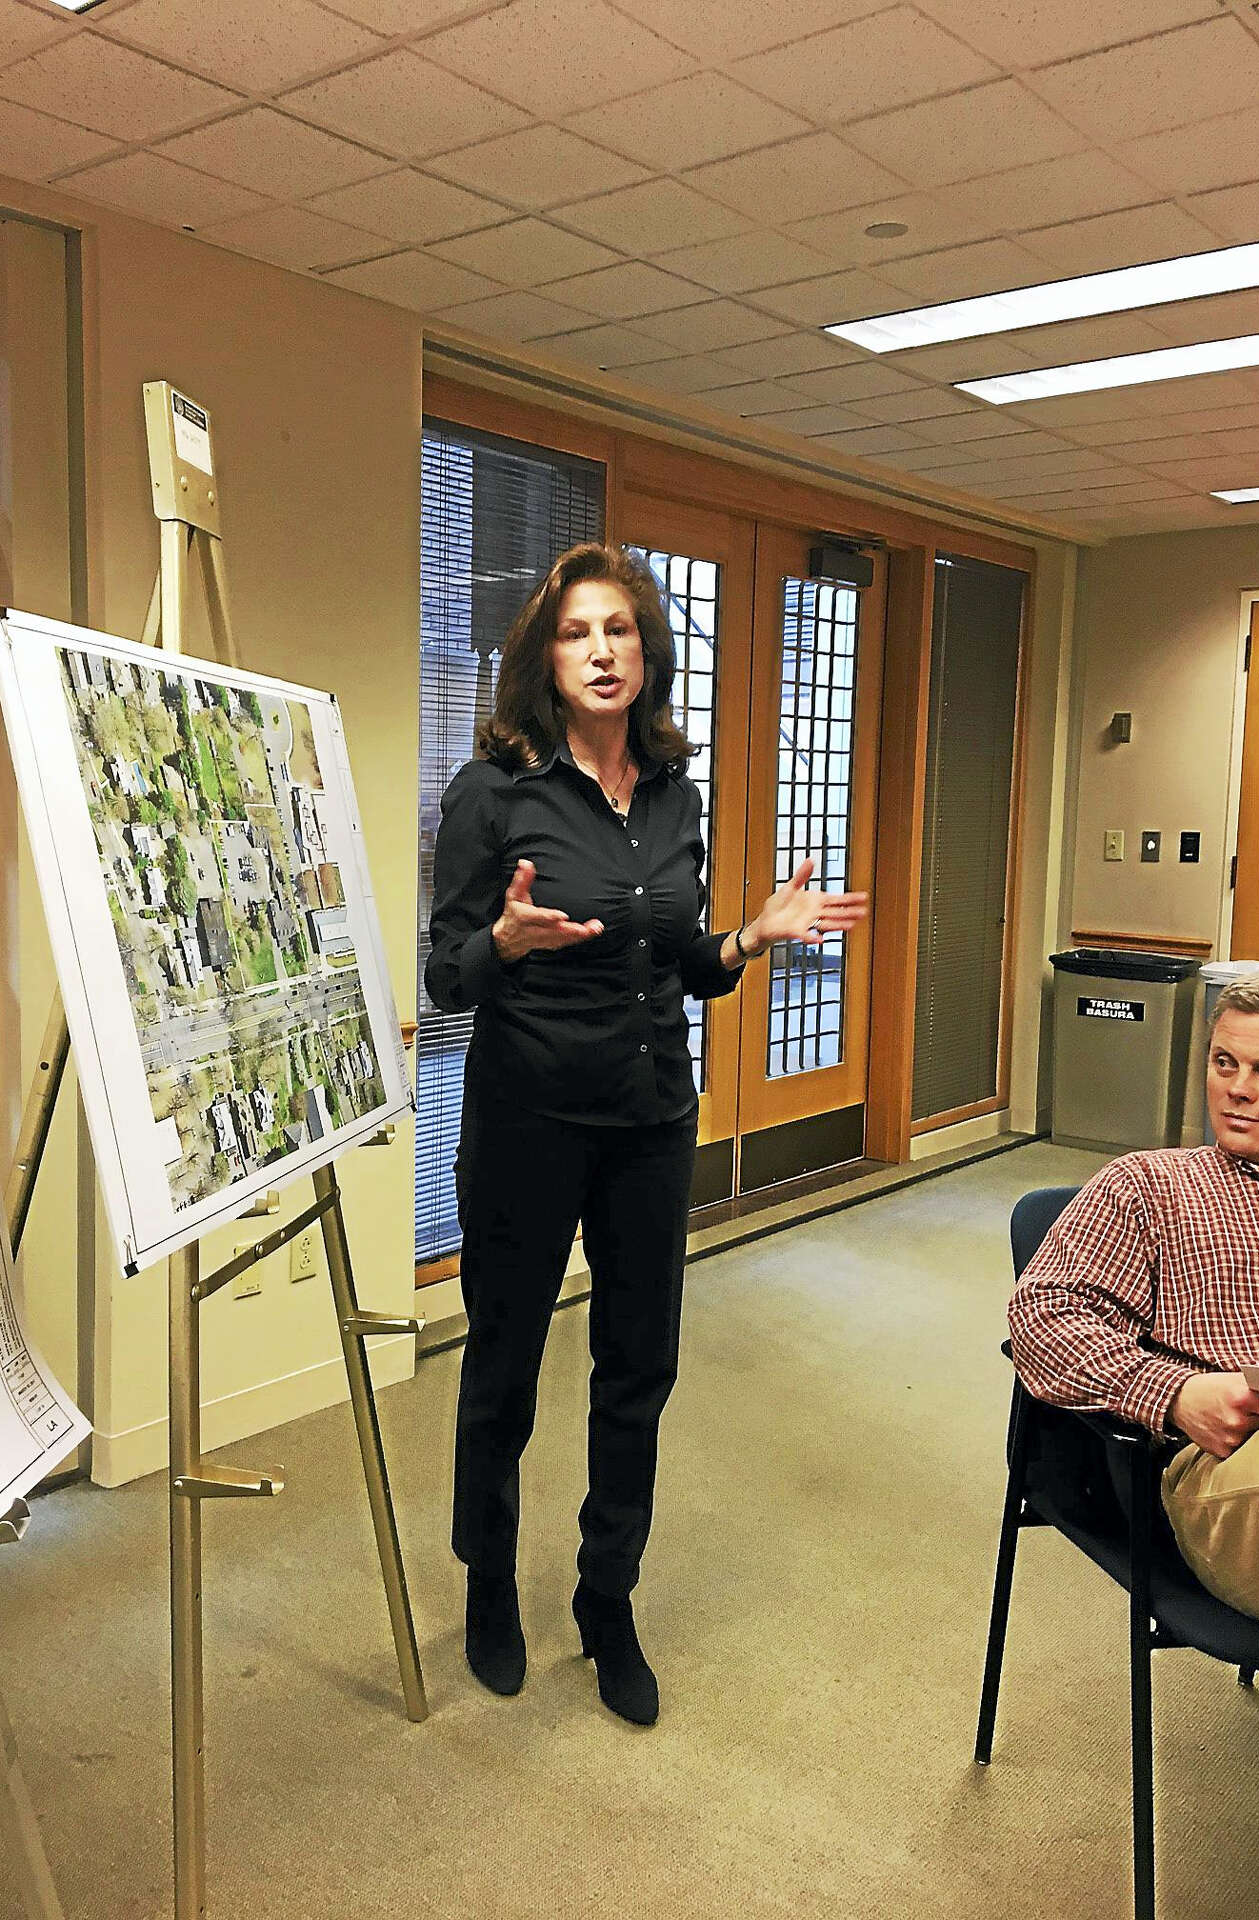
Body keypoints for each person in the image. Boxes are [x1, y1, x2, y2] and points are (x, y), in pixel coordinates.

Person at [425, 542, 868, 1724]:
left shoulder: (675, 793)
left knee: (638, 1372)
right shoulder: (494, 792)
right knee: (504, 1370)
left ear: (648, 649)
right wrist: (503, 946)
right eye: (577, 633)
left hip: (649, 1121)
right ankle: (487, 1585)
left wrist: (751, 938)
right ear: (545, 657)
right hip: (526, 1120)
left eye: (619, 629)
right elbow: (444, 973)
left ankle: (606, 1598)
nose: (602, 651)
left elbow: (685, 964)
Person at [1008, 967, 1259, 1624]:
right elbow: (1040, 1321)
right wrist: (1175, 1394)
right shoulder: (1152, 1187)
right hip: (1227, 1461)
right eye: (1224, 1063)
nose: (1237, 1090)